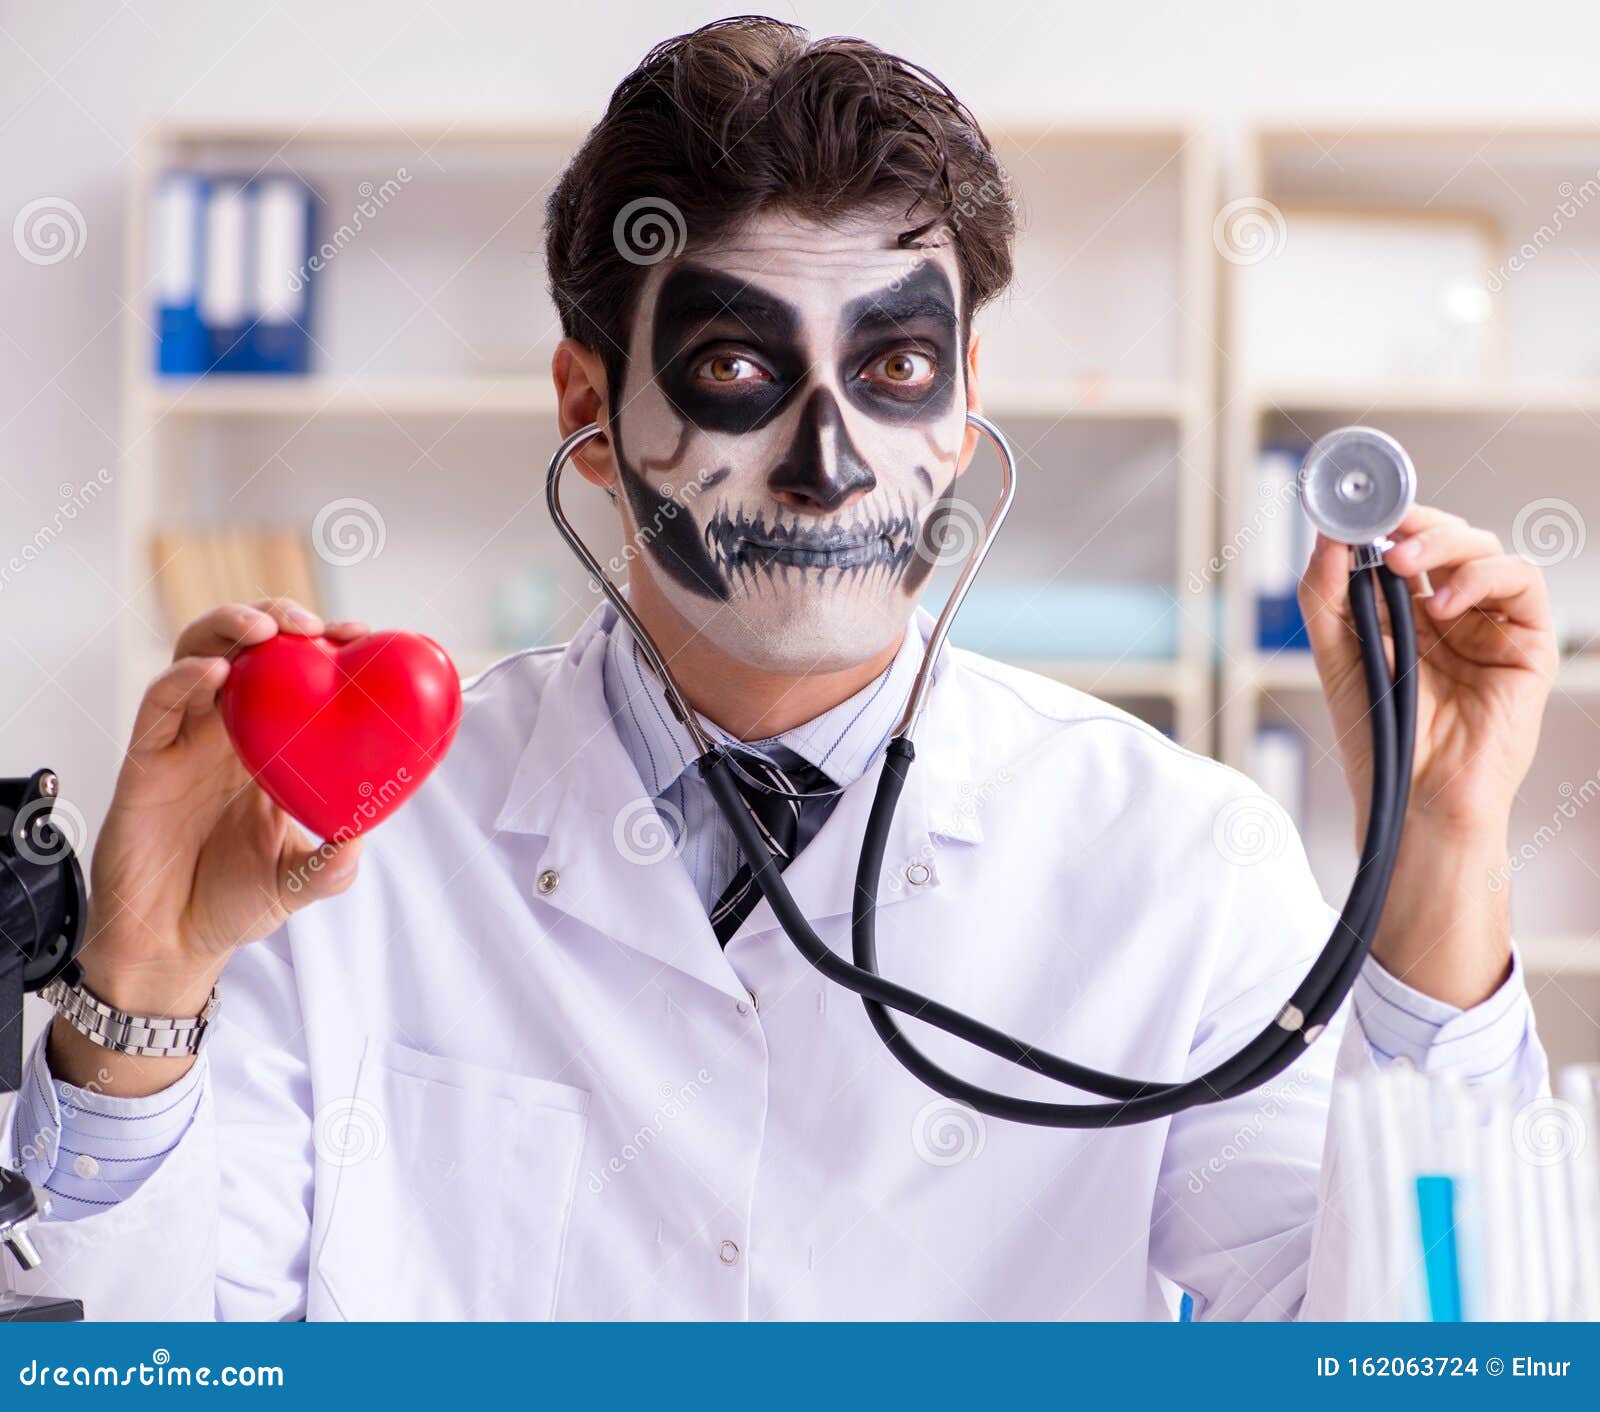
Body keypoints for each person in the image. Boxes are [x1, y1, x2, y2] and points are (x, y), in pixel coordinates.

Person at [7, 17, 1555, 1320]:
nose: (831, 464)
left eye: (893, 370)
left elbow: (1401, 1359)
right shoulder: (339, 840)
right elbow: (134, 1375)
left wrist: (1441, 859)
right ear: (586, 410)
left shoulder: (1179, 857)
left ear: (962, 413)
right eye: (740, 369)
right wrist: (139, 978)